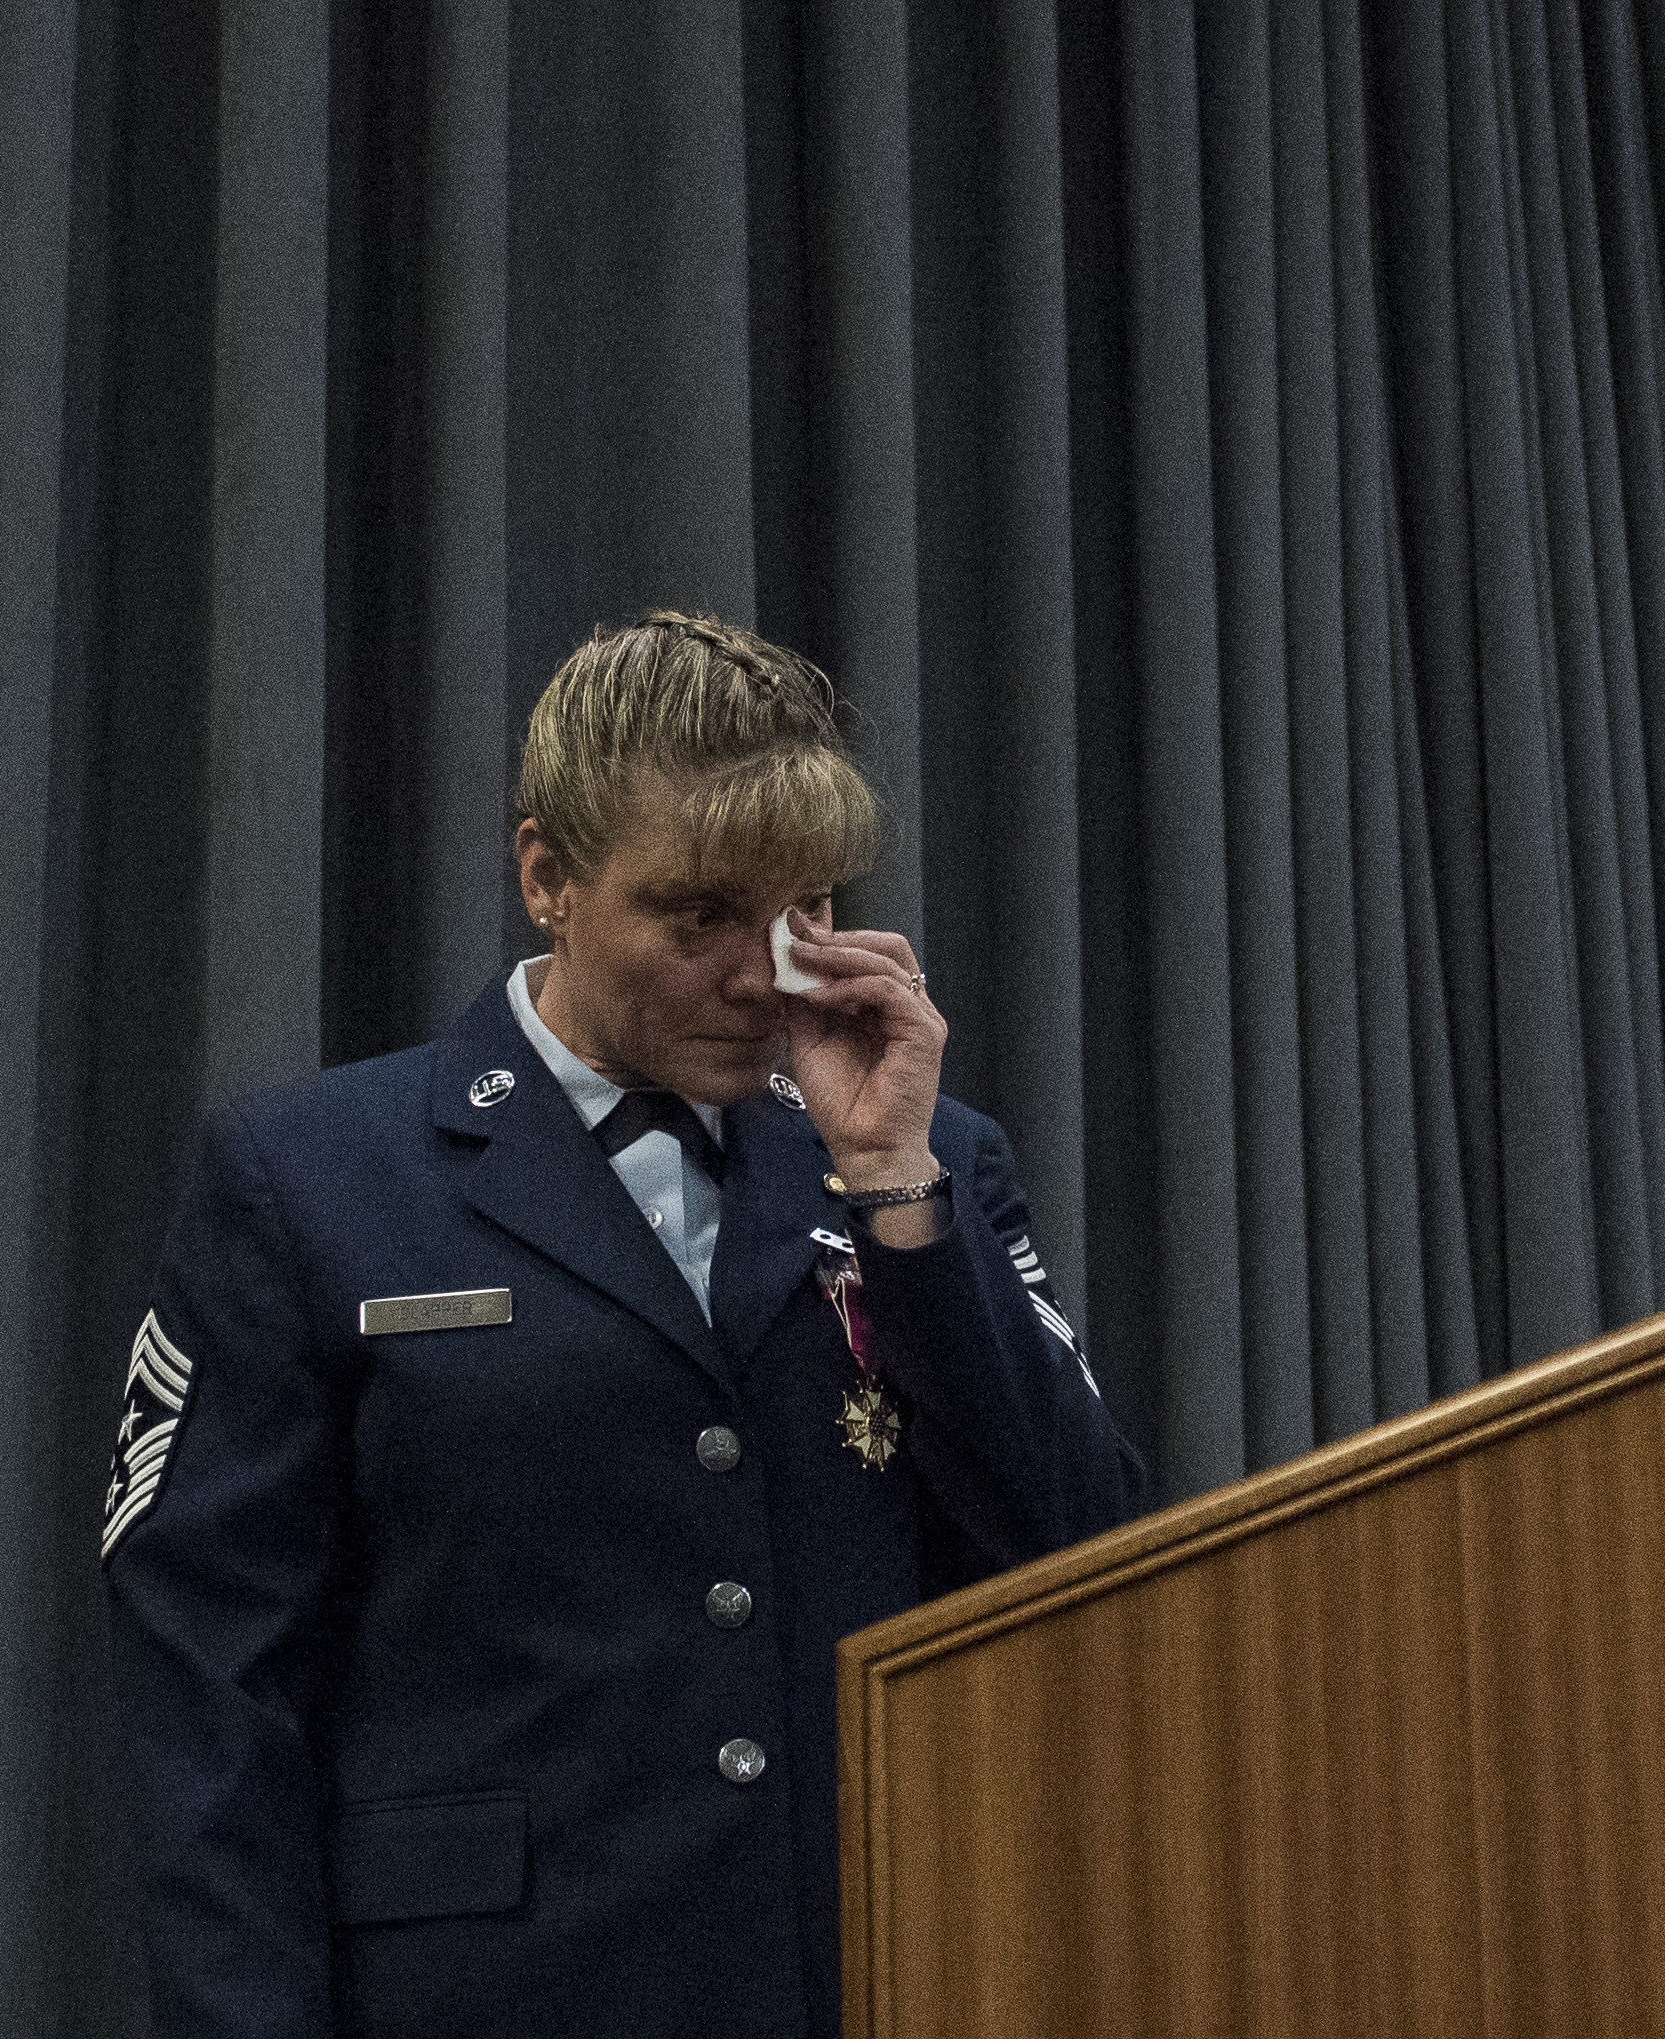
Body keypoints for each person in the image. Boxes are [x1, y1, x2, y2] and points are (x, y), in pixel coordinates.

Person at [101, 612, 1145, 2039]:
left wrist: (900, 1198)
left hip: (868, 1972)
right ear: (549, 876)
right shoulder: (313, 1178)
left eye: (803, 915)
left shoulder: (925, 1164)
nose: (763, 975)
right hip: (491, 1992)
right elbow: (211, 1683)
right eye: (701, 914)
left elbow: (1077, 1555)